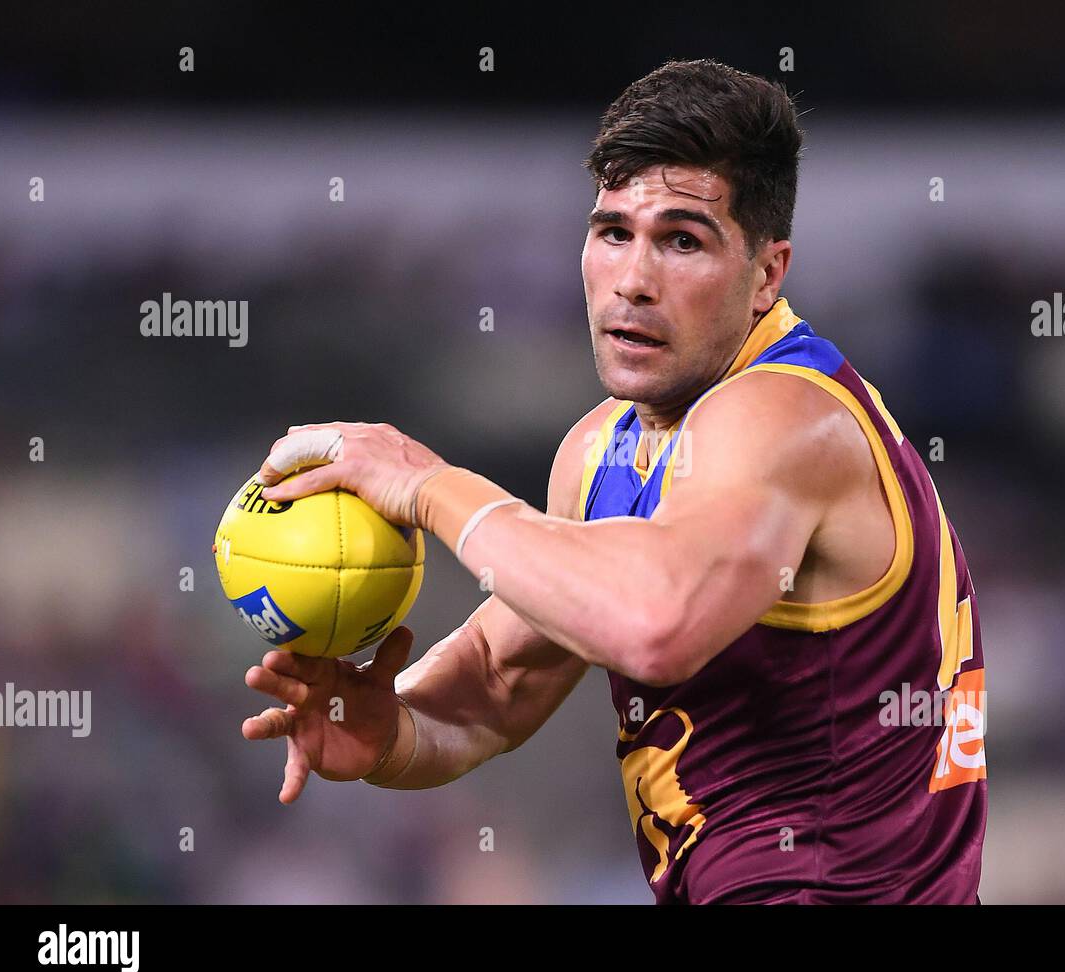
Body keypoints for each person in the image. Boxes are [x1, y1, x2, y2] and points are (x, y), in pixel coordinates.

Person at [241, 58, 987, 904]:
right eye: (612, 233)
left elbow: (655, 627)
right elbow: (496, 680)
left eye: (682, 240)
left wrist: (429, 486)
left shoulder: (785, 417)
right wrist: (387, 729)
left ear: (768, 274)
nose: (634, 280)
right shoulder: (601, 450)